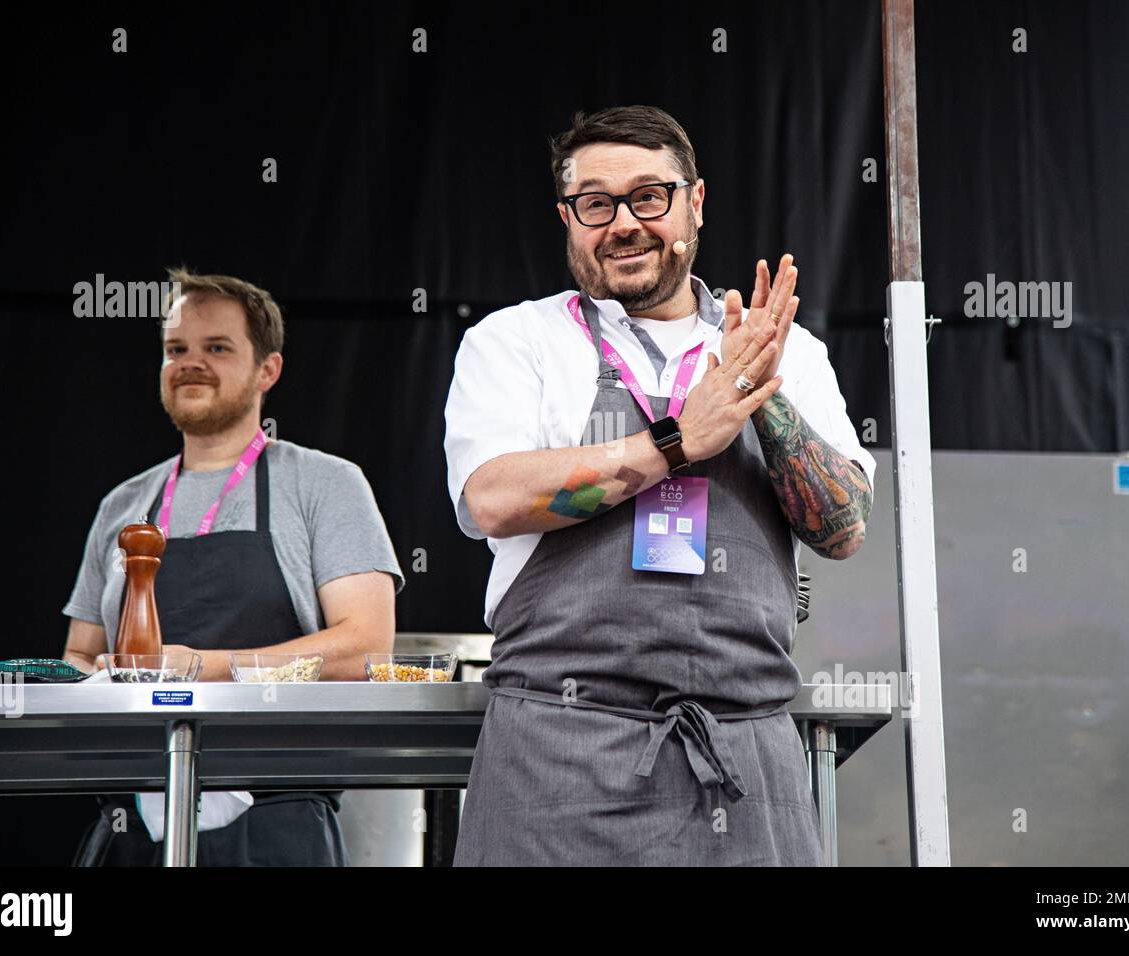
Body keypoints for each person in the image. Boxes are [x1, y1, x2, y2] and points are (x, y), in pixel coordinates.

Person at [444, 105, 876, 865]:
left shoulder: (784, 348)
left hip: (743, 756)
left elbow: (843, 529)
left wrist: (758, 393)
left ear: (695, 202)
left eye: (650, 196)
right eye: (595, 204)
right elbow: (493, 500)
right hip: (556, 751)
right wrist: (677, 442)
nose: (624, 223)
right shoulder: (516, 340)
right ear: (567, 218)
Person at [62, 269, 404, 866]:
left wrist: (203, 668)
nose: (191, 363)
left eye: (217, 348)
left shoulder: (324, 483)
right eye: (177, 350)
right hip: (132, 826)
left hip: (276, 821)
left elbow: (367, 650)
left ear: (267, 370)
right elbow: (77, 655)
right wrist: (101, 679)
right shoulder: (122, 505)